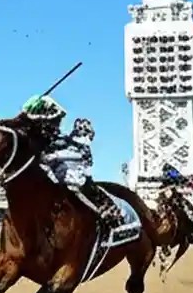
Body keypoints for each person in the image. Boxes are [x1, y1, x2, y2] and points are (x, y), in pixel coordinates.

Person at [19, 94, 126, 229]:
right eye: (54, 121)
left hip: (58, 160)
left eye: (56, 121)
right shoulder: (27, 136)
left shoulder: (62, 142)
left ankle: (108, 211)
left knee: (76, 179)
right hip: (39, 158)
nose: (56, 125)